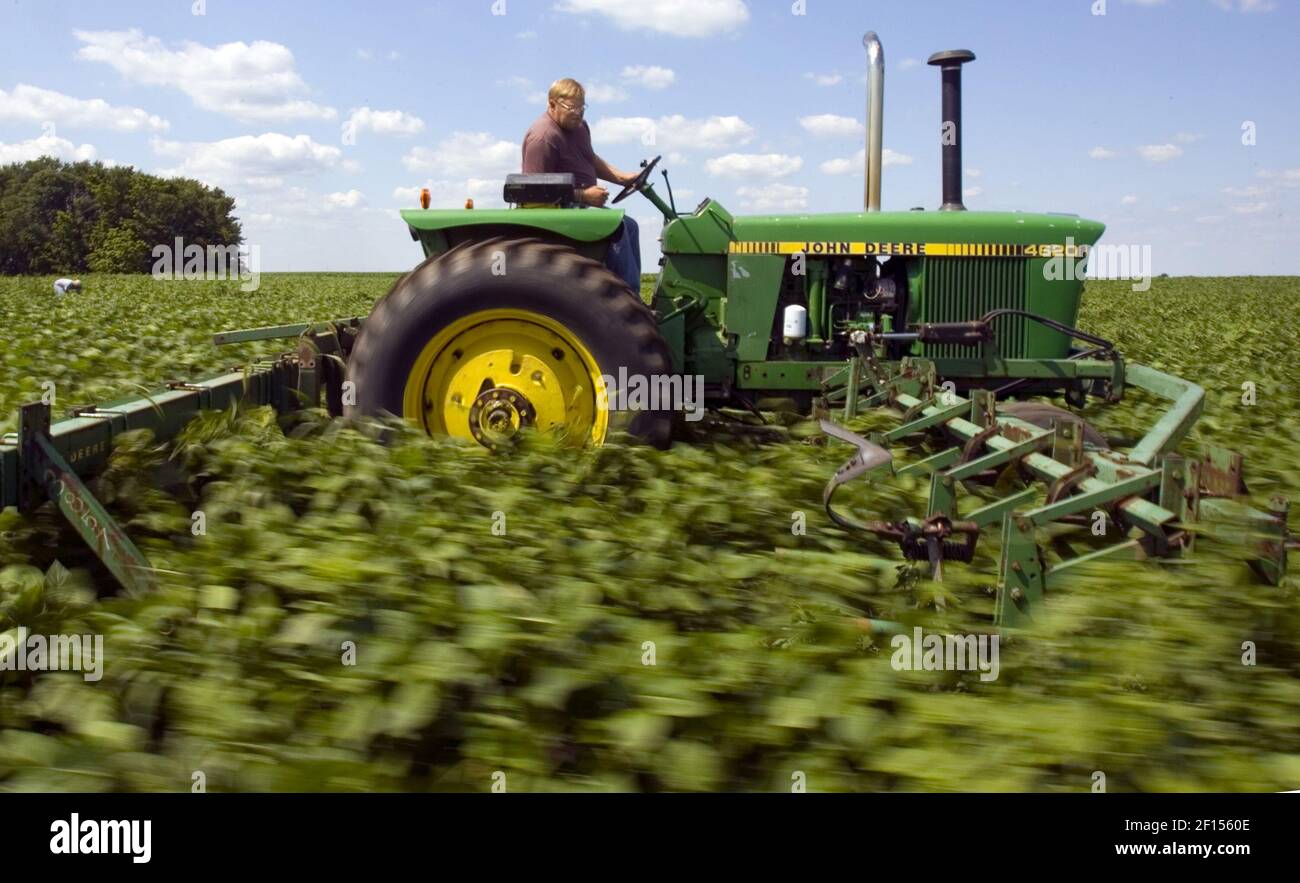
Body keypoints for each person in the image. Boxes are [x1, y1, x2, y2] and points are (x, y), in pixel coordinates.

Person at [521, 78, 642, 294]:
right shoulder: (543, 138)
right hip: (553, 215)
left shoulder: (579, 127)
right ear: (552, 104)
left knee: (630, 225)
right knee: (618, 228)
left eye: (581, 107)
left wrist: (622, 178)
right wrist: (583, 196)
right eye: (571, 107)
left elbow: (590, 159)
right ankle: (625, 297)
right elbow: (535, 191)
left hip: (576, 208)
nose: (578, 113)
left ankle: (632, 294)